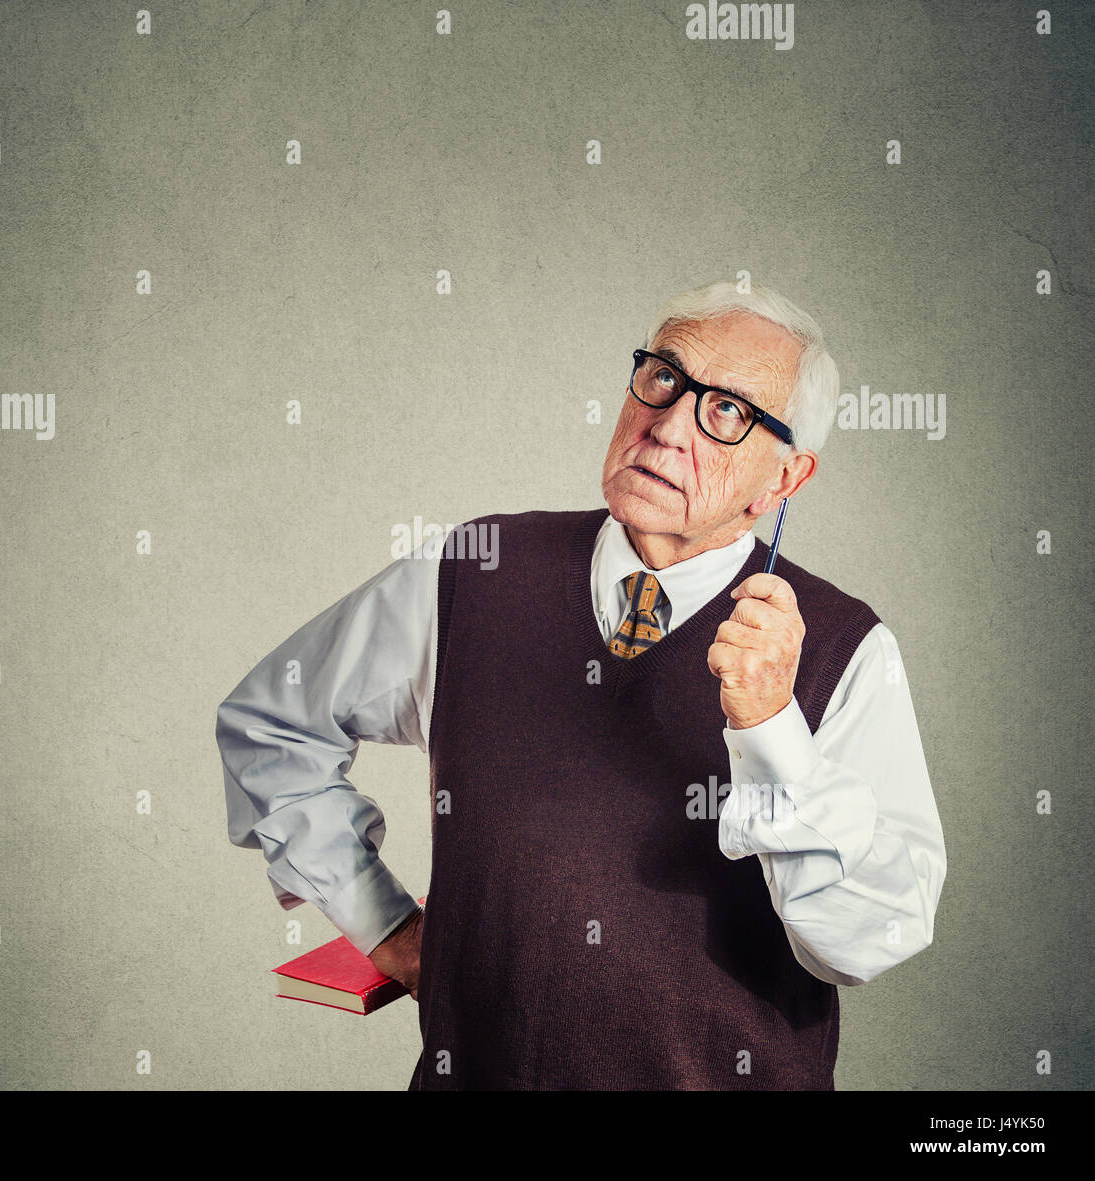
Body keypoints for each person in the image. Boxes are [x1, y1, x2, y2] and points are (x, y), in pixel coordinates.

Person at [216, 279, 946, 1090]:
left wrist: (773, 726)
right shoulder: (475, 570)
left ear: (783, 481)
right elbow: (270, 722)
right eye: (664, 377)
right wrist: (380, 920)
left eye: (728, 411)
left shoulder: (847, 650)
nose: (668, 426)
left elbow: (866, 937)